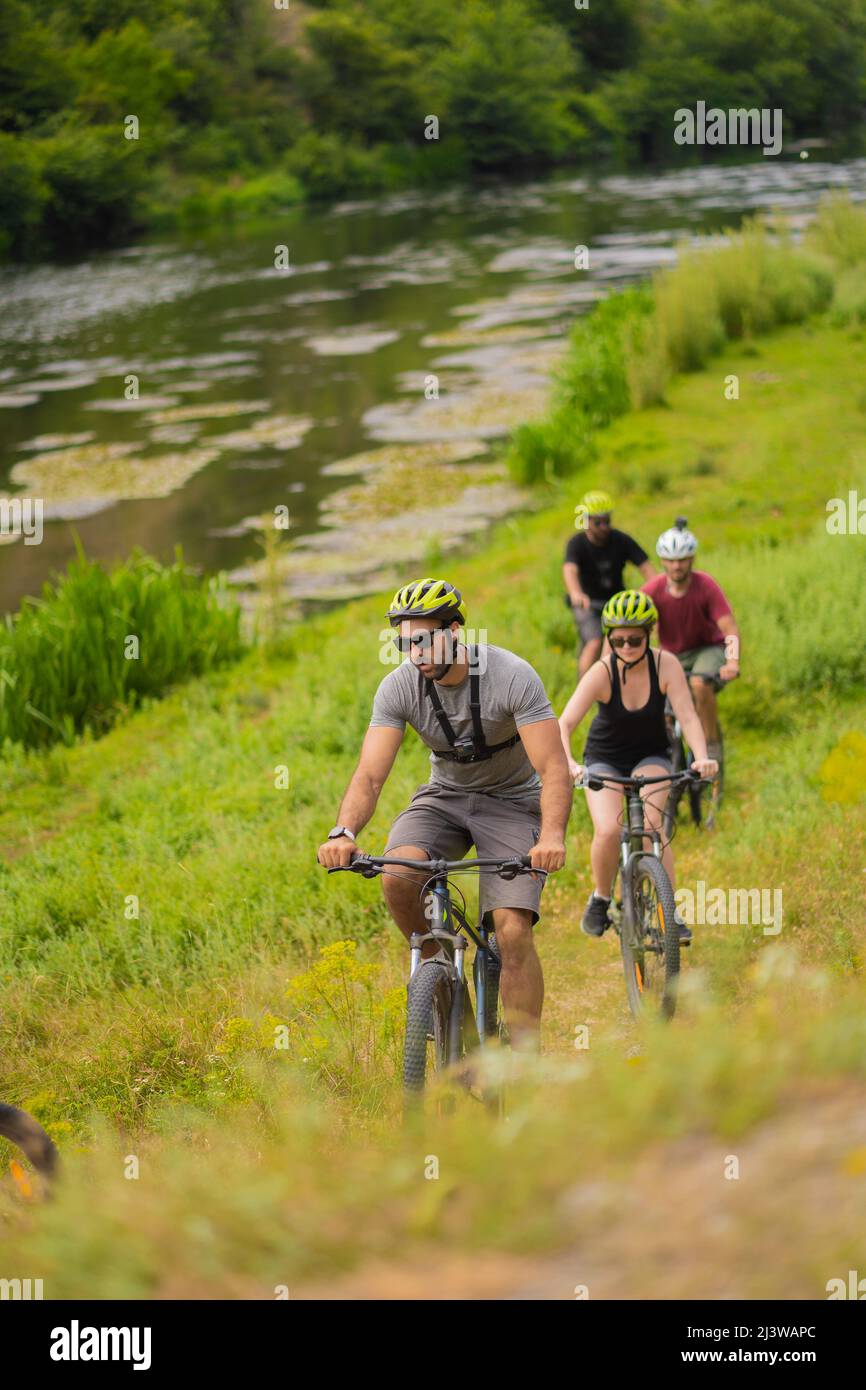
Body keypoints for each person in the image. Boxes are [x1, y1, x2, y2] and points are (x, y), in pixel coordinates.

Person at [317, 577, 572, 1051]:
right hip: (444, 797)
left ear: (455, 630)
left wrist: (551, 835)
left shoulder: (511, 675)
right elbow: (370, 775)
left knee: (511, 930)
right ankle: (440, 979)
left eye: (423, 638)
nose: (414, 651)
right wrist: (344, 831)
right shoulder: (398, 688)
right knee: (397, 875)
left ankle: (524, 1061)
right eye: (404, 642)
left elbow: (554, 768)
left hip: (514, 801)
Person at [557, 589, 717, 940]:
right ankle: (600, 897)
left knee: (654, 825)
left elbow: (688, 717)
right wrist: (569, 764)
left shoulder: (666, 664)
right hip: (604, 759)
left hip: (651, 755)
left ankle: (669, 912)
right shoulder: (602, 672)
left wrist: (702, 756)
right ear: (609, 638)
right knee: (609, 830)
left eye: (634, 639)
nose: (627, 647)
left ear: (649, 634)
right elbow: (564, 724)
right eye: (618, 640)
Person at [642, 519, 740, 764]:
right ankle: (667, 756)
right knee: (658, 704)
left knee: (699, 683)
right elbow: (629, 618)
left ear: (692, 559)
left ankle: (710, 744)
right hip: (672, 655)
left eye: (683, 559)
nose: (677, 566)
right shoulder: (653, 589)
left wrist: (733, 660)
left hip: (707, 650)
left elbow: (729, 627)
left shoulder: (706, 585)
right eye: (671, 560)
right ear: (662, 561)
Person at [562, 490, 656, 679]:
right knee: (595, 642)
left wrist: (657, 589)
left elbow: (646, 568)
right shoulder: (577, 543)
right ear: (586, 520)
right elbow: (570, 570)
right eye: (598, 522)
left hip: (616, 604)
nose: (604, 527)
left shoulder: (621, 539)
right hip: (588, 604)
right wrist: (576, 593)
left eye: (607, 521)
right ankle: (585, 690)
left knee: (622, 641)